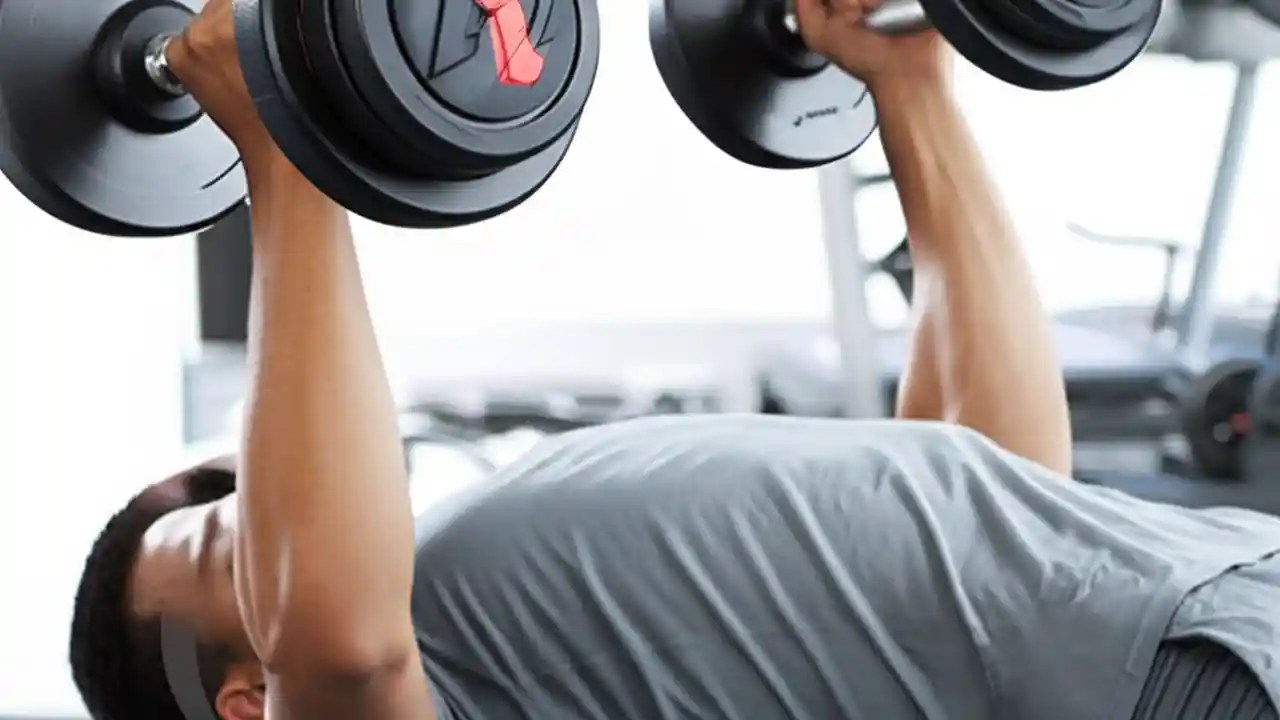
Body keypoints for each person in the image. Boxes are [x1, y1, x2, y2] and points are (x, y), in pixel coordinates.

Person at [68, 0, 1280, 717]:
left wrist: (911, 92)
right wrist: (283, 153)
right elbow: (334, 638)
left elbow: (996, 478)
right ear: (242, 703)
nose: (271, 499)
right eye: (231, 536)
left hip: (1213, 596)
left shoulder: (488, 588)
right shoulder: (379, 665)